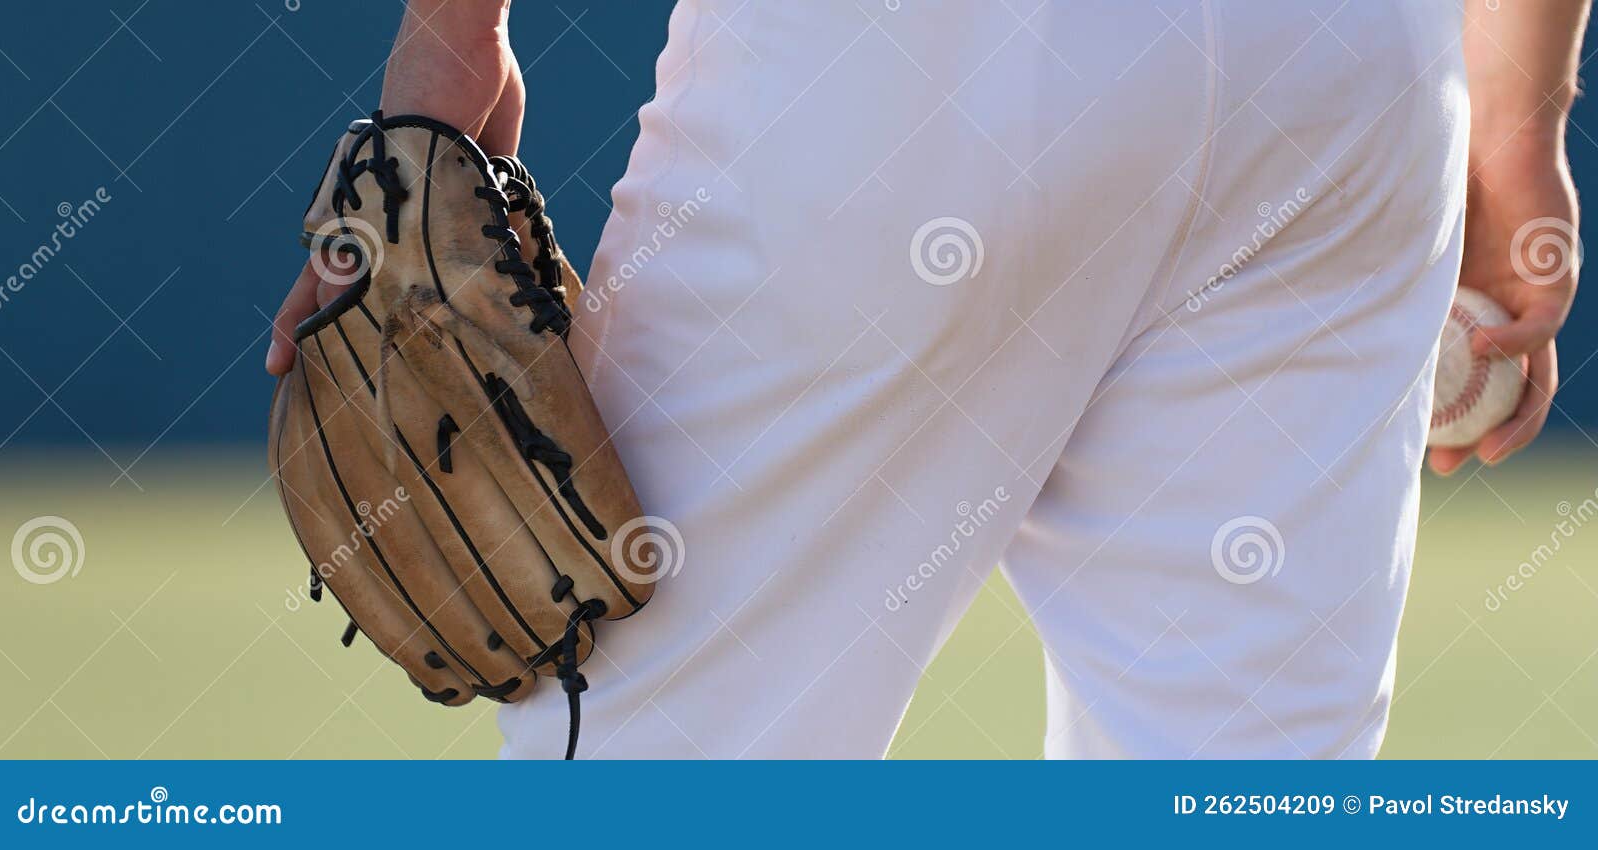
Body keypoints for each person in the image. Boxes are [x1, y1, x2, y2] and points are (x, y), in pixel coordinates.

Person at [266, 1, 1583, 758]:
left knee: (656, 776)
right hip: (1354, 68)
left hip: (913, 60)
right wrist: (1518, 102)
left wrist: (448, 40)